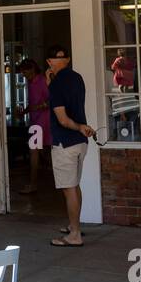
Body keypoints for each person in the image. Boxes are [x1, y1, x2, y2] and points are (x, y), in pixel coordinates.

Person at [45, 44, 94, 247]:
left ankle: (74, 234)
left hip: (65, 142)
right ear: (68, 60)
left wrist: (79, 127)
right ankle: (75, 226)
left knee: (68, 188)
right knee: (74, 185)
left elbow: (63, 120)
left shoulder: (57, 85)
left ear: (49, 62)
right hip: (80, 143)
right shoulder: (76, 78)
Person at [12, 58, 51, 194]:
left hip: (44, 120)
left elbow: (51, 100)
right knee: (40, 151)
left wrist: (38, 106)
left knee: (35, 151)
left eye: (26, 72)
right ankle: (38, 182)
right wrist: (24, 112)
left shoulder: (41, 81)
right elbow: (33, 103)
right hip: (35, 120)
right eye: (22, 73)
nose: (24, 75)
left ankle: (33, 184)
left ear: (33, 69)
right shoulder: (30, 82)